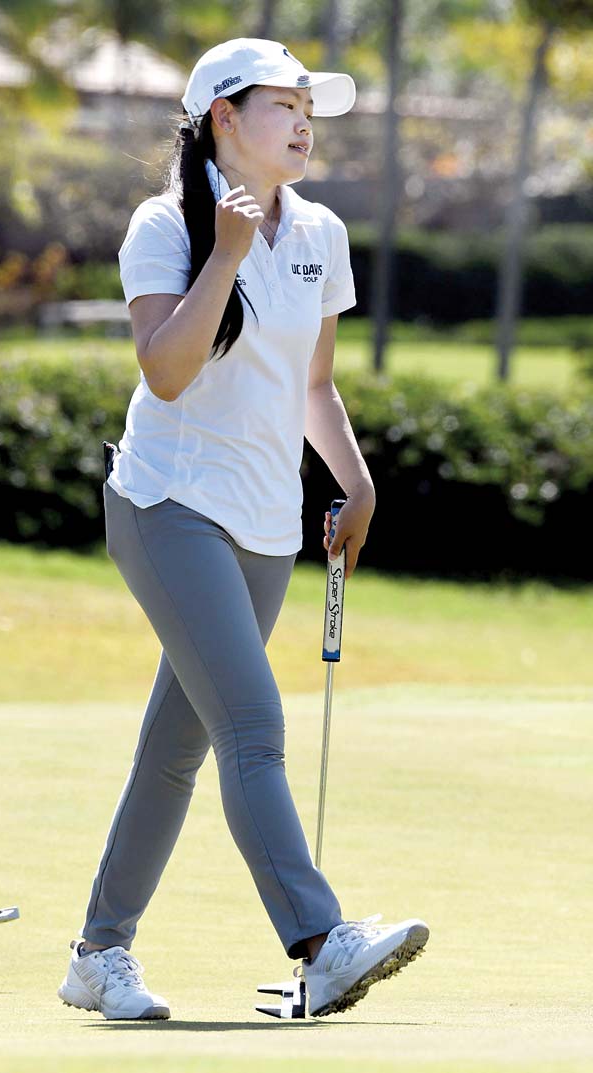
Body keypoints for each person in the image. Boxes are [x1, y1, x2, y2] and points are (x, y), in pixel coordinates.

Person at [57, 38, 429, 1022]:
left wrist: (356, 481)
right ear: (224, 115)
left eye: (312, 106)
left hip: (265, 528)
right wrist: (224, 253)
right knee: (252, 730)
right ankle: (319, 937)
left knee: (174, 751)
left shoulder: (321, 231)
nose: (306, 122)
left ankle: (99, 951)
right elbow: (165, 369)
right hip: (167, 506)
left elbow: (312, 384)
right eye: (284, 104)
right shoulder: (163, 223)